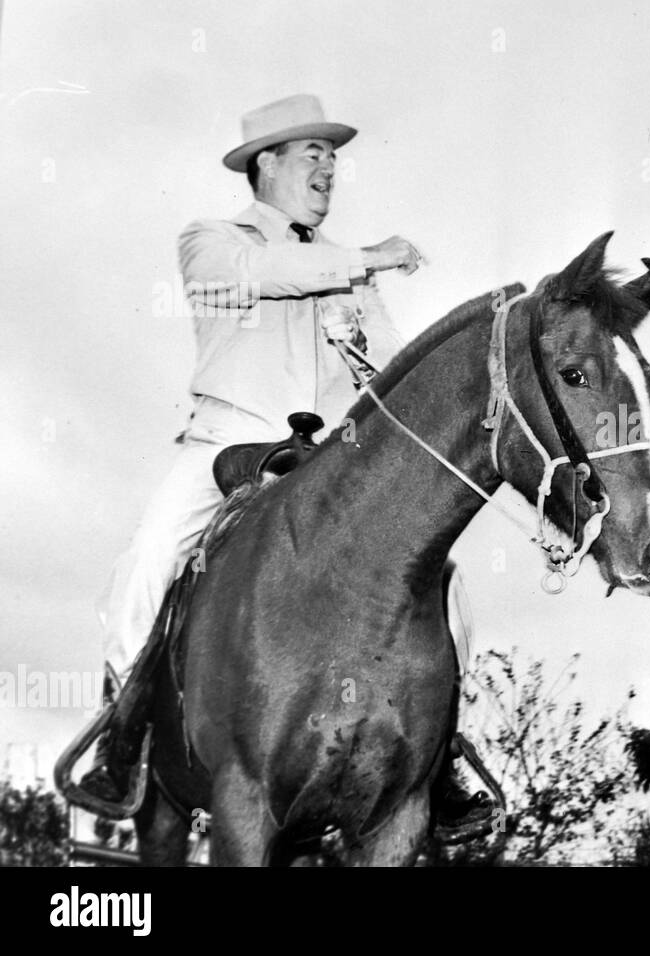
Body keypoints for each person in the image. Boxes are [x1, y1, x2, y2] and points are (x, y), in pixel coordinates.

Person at [81, 94, 487, 833]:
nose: (329, 167)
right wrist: (364, 260)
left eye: (333, 157)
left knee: (446, 583)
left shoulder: (349, 273)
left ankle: (444, 756)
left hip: (329, 463)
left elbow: (396, 373)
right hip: (228, 448)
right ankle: (125, 731)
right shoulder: (212, 239)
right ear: (266, 164)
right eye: (313, 154)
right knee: (149, 558)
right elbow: (268, 270)